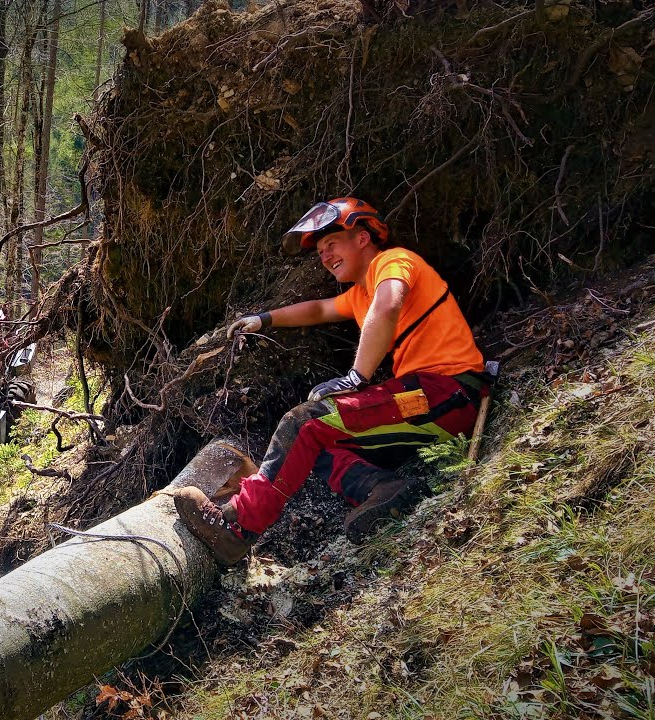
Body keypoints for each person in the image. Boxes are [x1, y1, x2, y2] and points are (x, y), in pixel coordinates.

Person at [174, 197, 489, 565]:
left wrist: (356, 378)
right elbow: (320, 309)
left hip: (444, 394)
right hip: (424, 403)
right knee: (312, 446)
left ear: (361, 237)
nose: (325, 256)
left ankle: (239, 526)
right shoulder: (360, 293)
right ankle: (385, 490)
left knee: (304, 422)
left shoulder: (393, 261)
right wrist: (264, 319)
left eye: (331, 244)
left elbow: (387, 307)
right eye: (320, 251)